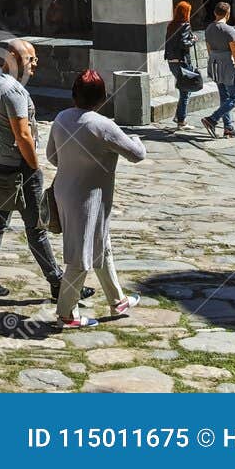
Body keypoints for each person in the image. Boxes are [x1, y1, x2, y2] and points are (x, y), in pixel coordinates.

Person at [0, 38, 88, 305]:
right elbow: (23, 134)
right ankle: (58, 283)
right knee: (36, 226)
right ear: (14, 59)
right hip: (18, 168)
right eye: (30, 59)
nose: (35, 64)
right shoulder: (12, 91)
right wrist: (35, 167)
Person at [47, 69, 146, 329]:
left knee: (101, 246)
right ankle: (67, 313)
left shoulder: (60, 118)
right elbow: (137, 154)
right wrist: (135, 137)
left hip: (65, 191)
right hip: (88, 199)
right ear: (102, 97)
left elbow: (52, 157)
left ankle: (118, 300)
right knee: (80, 257)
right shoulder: (102, 125)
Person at [201, 1, 235, 138]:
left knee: (224, 97)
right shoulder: (229, 30)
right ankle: (212, 119)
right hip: (228, 64)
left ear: (215, 13)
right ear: (228, 14)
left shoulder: (209, 28)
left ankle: (228, 127)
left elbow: (209, 48)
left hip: (215, 64)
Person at [163, 0, 200, 131]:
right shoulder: (185, 25)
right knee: (186, 91)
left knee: (184, 89)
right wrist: (193, 40)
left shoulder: (171, 25)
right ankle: (181, 121)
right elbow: (183, 43)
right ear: (186, 13)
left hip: (171, 61)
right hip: (182, 62)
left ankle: (179, 117)